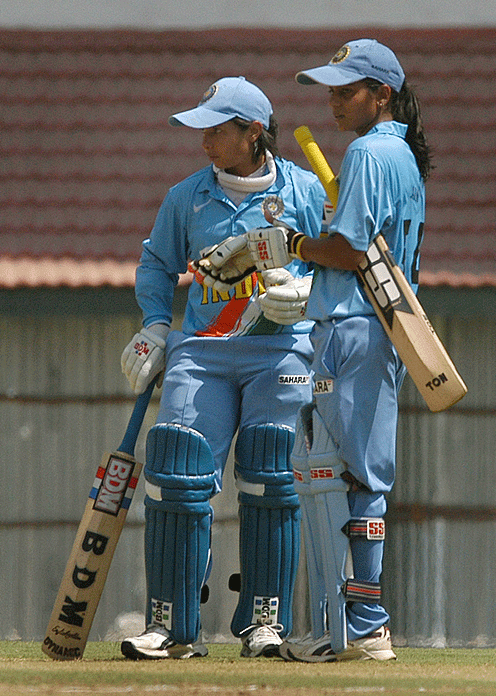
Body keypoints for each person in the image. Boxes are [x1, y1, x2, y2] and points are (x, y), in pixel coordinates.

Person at [119, 76, 326, 660]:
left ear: (253, 132)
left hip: (282, 350)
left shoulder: (307, 191)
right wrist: (157, 323)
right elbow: (157, 262)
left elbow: (342, 261)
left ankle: (266, 622)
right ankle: (170, 627)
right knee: (176, 470)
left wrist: (307, 290)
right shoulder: (186, 196)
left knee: (271, 471)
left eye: (216, 129)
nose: (204, 140)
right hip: (202, 351)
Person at [237, 38, 431, 661]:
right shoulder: (395, 153)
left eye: (348, 91)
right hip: (373, 326)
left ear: (383, 94)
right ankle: (352, 622)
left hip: (353, 325)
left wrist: (292, 243)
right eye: (332, 90)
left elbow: (347, 250)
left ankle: (357, 626)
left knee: (337, 474)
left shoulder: (371, 153)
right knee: (348, 473)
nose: (334, 102)